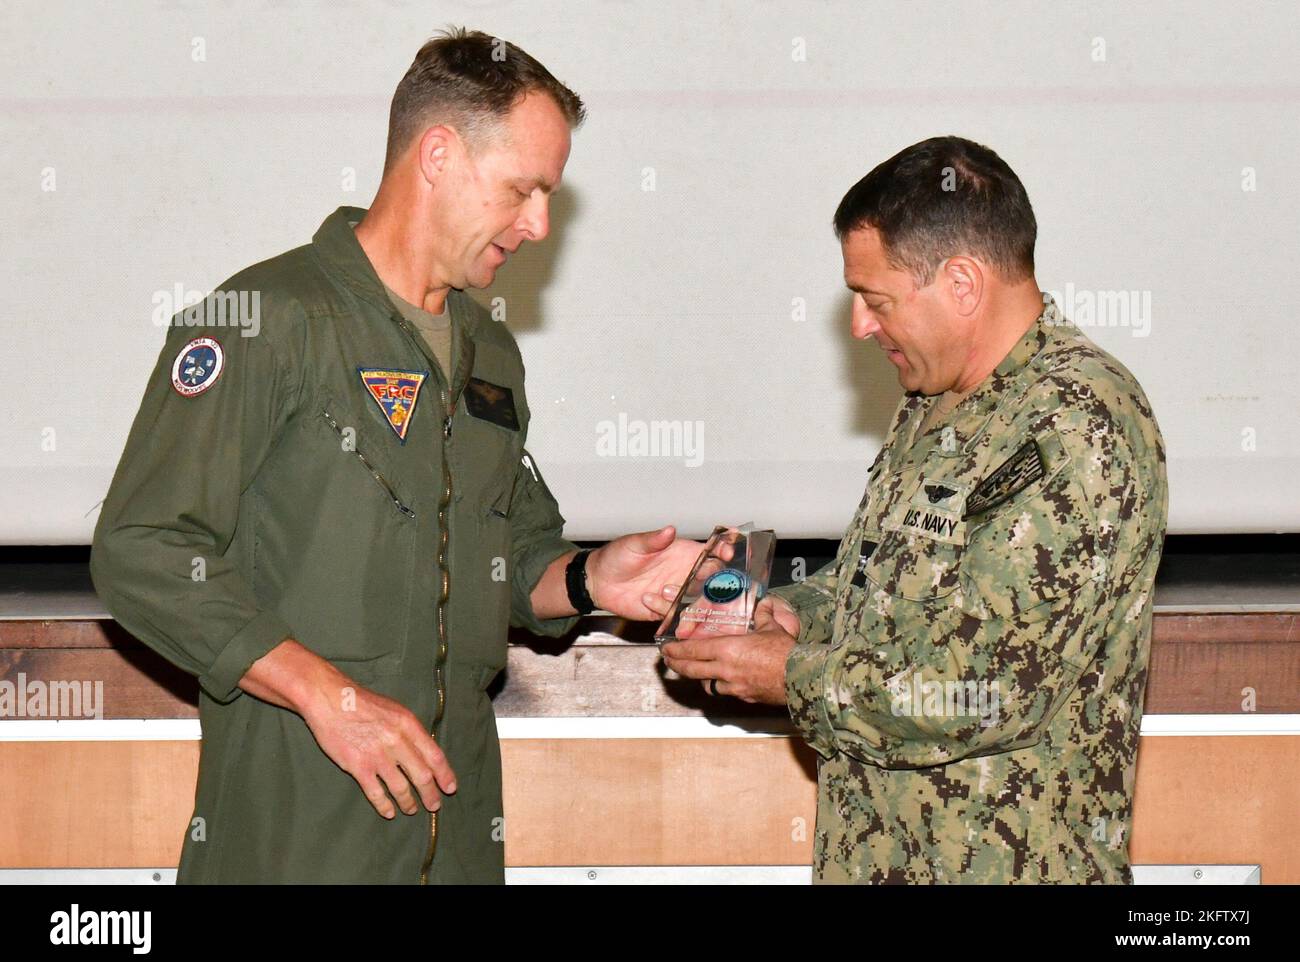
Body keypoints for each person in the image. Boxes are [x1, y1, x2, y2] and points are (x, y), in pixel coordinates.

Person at [90, 28, 701, 884]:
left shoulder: (489, 352)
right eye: (523, 190)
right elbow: (142, 548)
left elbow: (512, 556)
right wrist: (322, 693)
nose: (538, 225)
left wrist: (596, 578)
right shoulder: (265, 319)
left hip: (453, 836)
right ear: (439, 154)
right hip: (295, 835)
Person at [658, 136, 1169, 883]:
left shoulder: (1073, 423)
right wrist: (795, 613)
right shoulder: (939, 398)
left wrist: (794, 675)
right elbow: (890, 582)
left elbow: (988, 687)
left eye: (876, 299)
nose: (861, 326)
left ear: (962, 283)